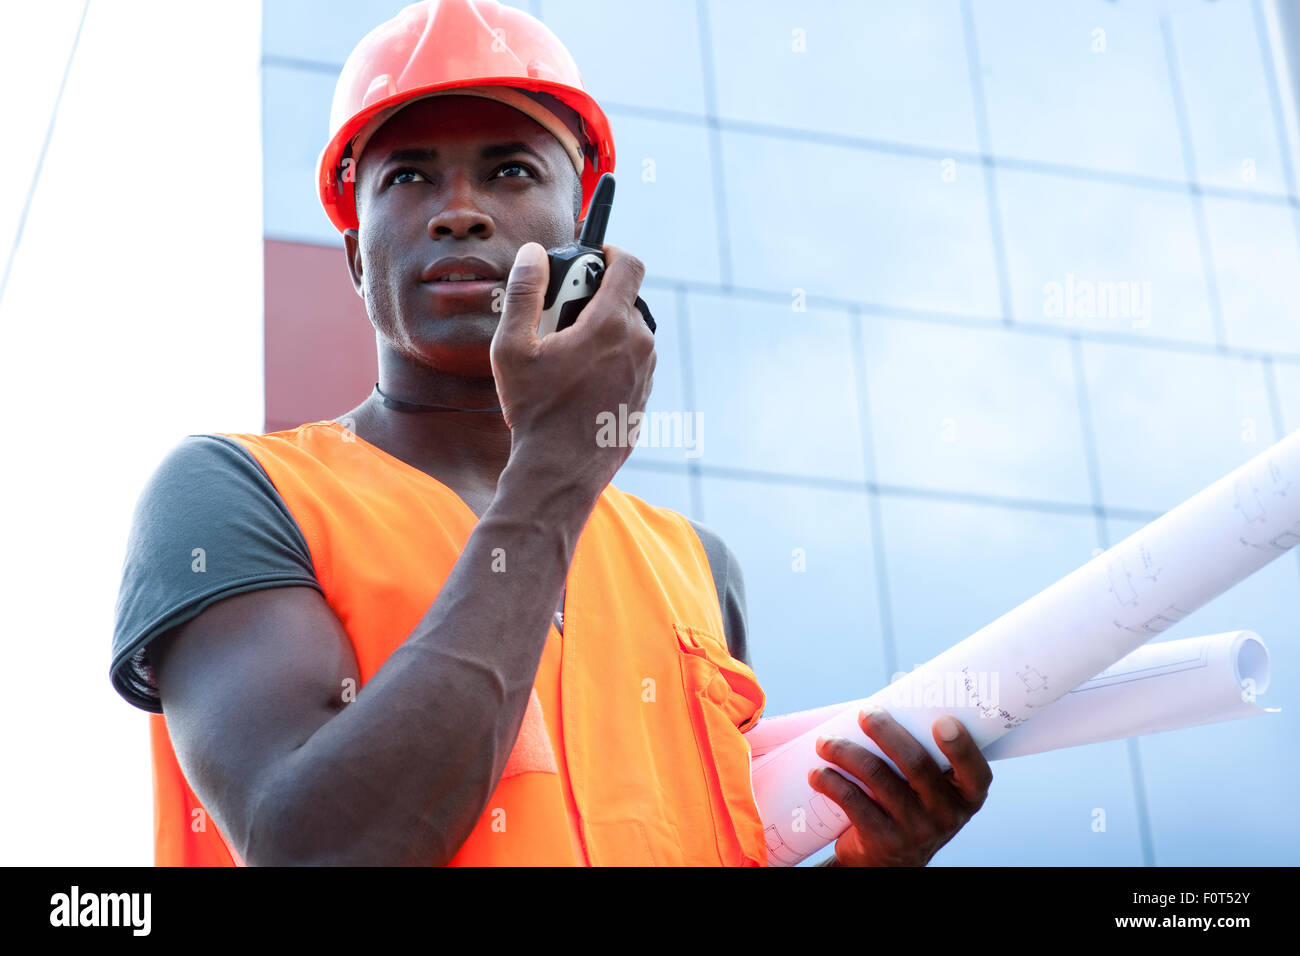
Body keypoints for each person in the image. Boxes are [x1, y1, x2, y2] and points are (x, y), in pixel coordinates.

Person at [110, 0, 991, 866]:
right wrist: (556, 473)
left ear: (584, 233)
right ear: (353, 257)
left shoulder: (696, 567)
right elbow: (318, 849)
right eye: (408, 177)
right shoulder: (231, 494)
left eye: (512, 171)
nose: (459, 211)